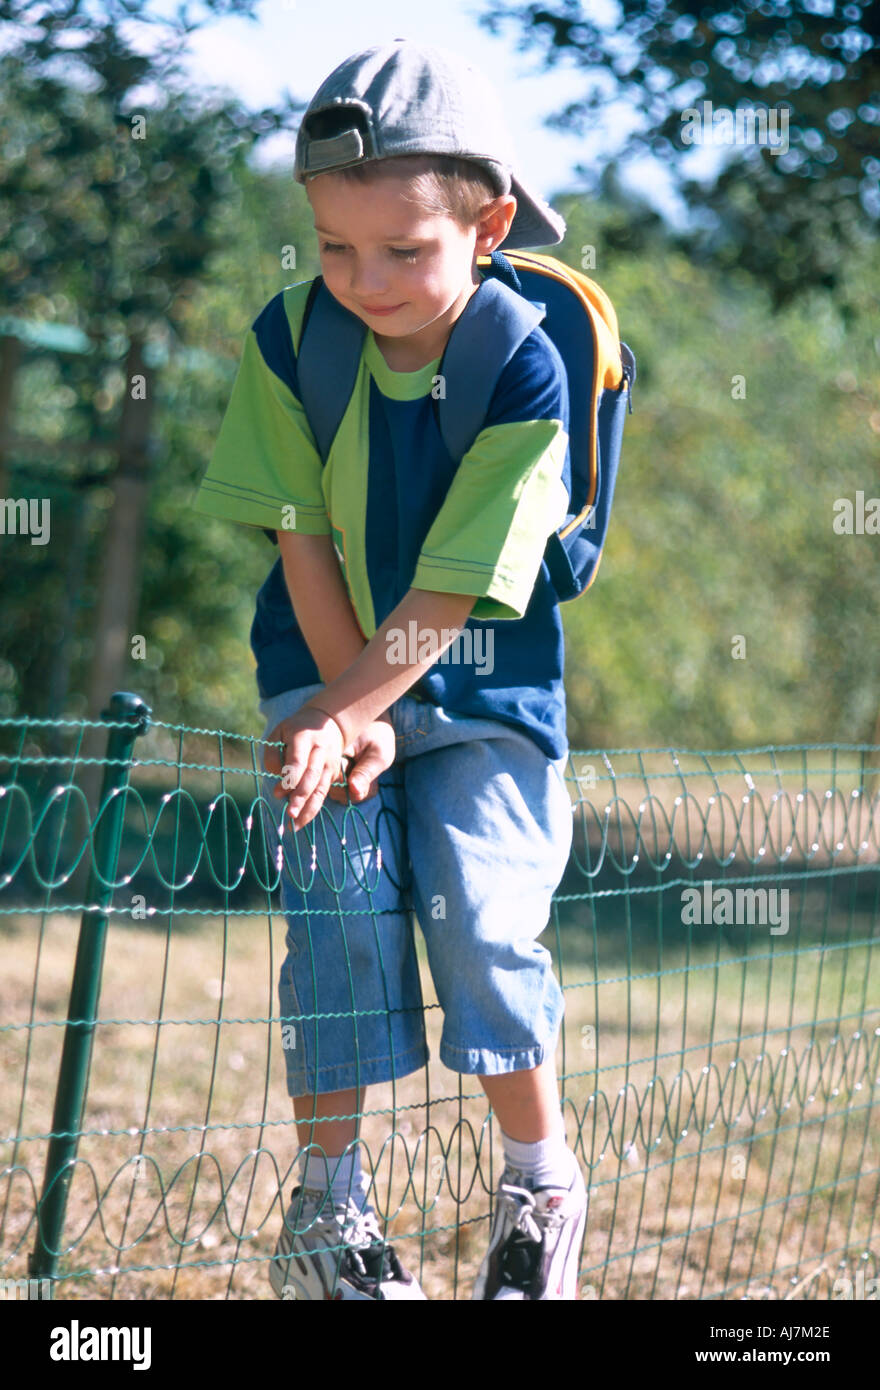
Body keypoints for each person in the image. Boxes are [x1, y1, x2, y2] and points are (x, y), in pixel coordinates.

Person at [193, 38, 588, 1300]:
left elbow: (450, 588)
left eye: (404, 251)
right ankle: (327, 1213)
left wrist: (372, 705)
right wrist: (336, 714)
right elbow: (301, 541)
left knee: (481, 921)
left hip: (479, 699)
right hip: (321, 687)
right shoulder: (292, 341)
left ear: (491, 225)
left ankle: (539, 1188)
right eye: (334, 248)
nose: (365, 282)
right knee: (338, 926)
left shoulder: (527, 363)